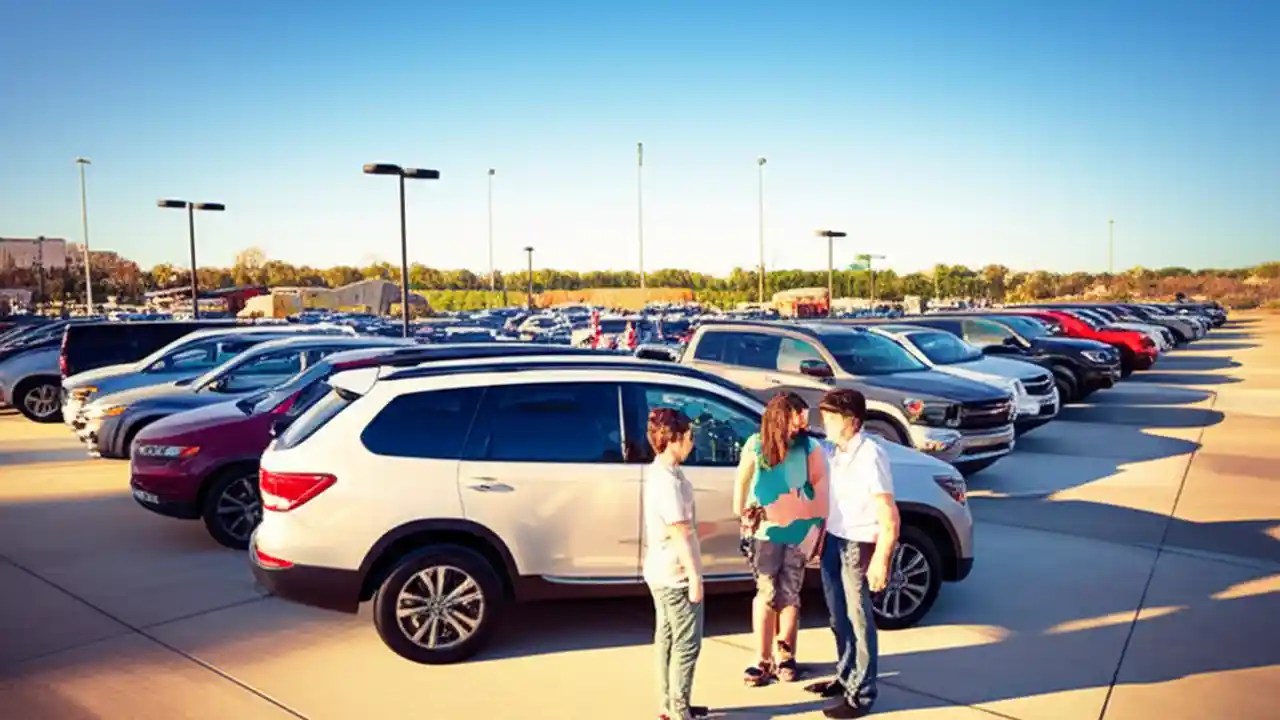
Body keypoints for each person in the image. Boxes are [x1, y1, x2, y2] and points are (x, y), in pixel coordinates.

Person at [805, 389, 900, 718]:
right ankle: (846, 676)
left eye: (832, 417)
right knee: (837, 616)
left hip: (858, 544)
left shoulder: (870, 454)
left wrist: (881, 558)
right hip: (834, 539)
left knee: (859, 620)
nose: (826, 422)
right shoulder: (836, 451)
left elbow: (889, 513)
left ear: (853, 421)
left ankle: (862, 694)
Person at [732, 392, 827, 686]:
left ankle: (786, 656)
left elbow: (819, 487)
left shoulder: (810, 447)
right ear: (781, 416)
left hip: (798, 531)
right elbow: (742, 483)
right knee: (766, 593)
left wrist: (819, 528)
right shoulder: (757, 445)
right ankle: (761, 658)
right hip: (765, 530)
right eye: (798, 414)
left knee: (790, 593)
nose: (803, 421)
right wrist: (743, 514)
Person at [643, 407, 707, 720]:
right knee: (686, 644)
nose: (692, 443)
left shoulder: (662, 472)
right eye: (689, 437)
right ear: (674, 439)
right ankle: (680, 709)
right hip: (675, 573)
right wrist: (695, 577)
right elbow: (680, 531)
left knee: (666, 638)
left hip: (659, 568)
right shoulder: (668, 482)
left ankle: (670, 703)